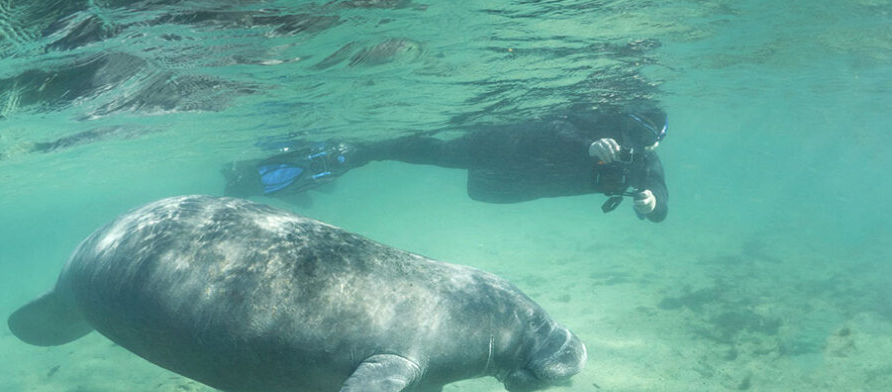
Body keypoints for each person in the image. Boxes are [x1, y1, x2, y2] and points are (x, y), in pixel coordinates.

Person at [223, 105, 669, 222]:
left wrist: (651, 205)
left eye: (647, 138)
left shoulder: (643, 164)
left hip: (508, 184)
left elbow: (661, 205)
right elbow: (555, 123)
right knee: (434, 154)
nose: (636, 143)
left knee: (450, 167)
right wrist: (588, 145)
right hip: (506, 147)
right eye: (632, 130)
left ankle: (349, 155)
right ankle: (358, 151)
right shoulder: (593, 121)